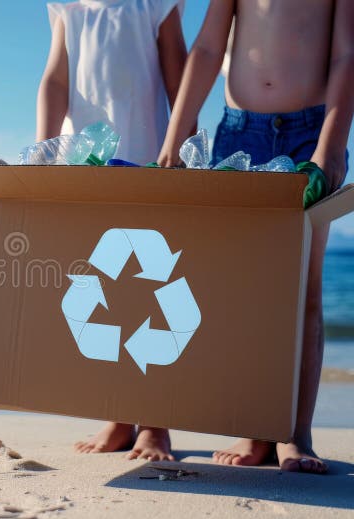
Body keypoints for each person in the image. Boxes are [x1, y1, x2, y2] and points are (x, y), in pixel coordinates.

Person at [158, 0, 353, 474]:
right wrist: (176, 133)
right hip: (239, 135)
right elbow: (207, 48)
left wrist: (330, 147)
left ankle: (294, 432)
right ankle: (254, 424)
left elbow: (346, 56)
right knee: (243, 291)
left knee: (302, 288)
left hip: (310, 136)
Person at [38, 0, 190, 461]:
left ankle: (157, 423)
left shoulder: (153, 5)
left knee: (152, 289)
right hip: (88, 166)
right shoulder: (69, 5)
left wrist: (181, 146)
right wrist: (44, 151)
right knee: (103, 289)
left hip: (149, 163)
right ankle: (119, 414)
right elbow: (56, 79)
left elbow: (178, 79)